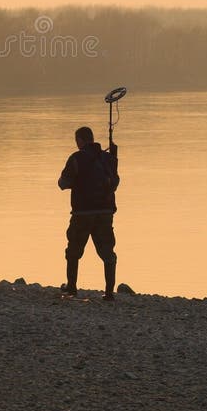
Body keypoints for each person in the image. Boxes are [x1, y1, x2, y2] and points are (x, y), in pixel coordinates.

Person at [58, 126, 119, 300]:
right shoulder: (109, 159)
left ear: (80, 141)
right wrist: (114, 157)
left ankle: (71, 288)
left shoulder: (76, 158)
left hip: (82, 213)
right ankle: (109, 293)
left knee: (73, 251)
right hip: (105, 212)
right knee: (108, 252)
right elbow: (114, 182)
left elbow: (63, 183)